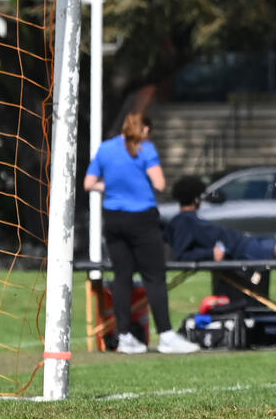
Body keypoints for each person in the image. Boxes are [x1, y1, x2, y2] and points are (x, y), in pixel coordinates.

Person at [84, 113, 198, 355]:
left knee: (122, 277)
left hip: (114, 219)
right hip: (142, 219)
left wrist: (113, 185)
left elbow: (89, 183)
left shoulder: (105, 149)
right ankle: (166, 334)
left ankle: (124, 336)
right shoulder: (146, 149)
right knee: (154, 277)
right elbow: (160, 183)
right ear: (145, 129)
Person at [165, 175, 276, 262]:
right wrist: (210, 253)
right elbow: (180, 255)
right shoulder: (183, 222)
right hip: (243, 249)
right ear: (196, 198)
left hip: (245, 241)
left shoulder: (190, 219)